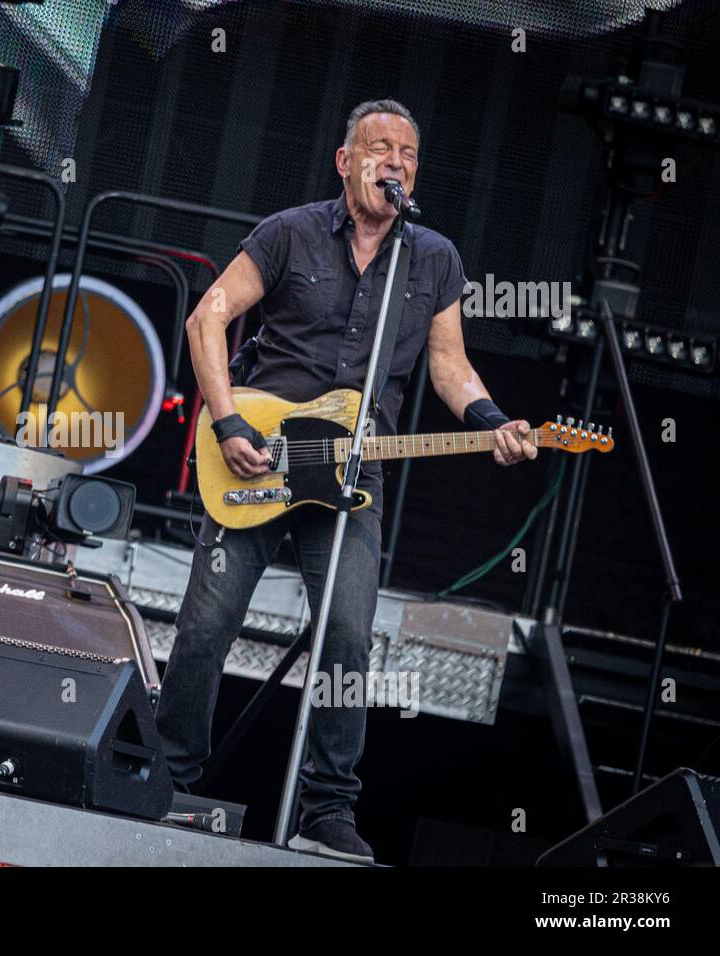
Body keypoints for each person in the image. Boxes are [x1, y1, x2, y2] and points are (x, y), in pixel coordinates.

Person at [156, 99, 537, 864]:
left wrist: (492, 417)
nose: (394, 161)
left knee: (350, 638)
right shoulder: (289, 232)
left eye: (408, 153)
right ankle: (169, 784)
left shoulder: (432, 259)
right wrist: (228, 423)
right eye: (379, 147)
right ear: (344, 160)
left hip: (353, 478)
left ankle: (326, 810)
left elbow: (448, 363)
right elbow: (210, 317)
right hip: (257, 456)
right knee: (204, 626)